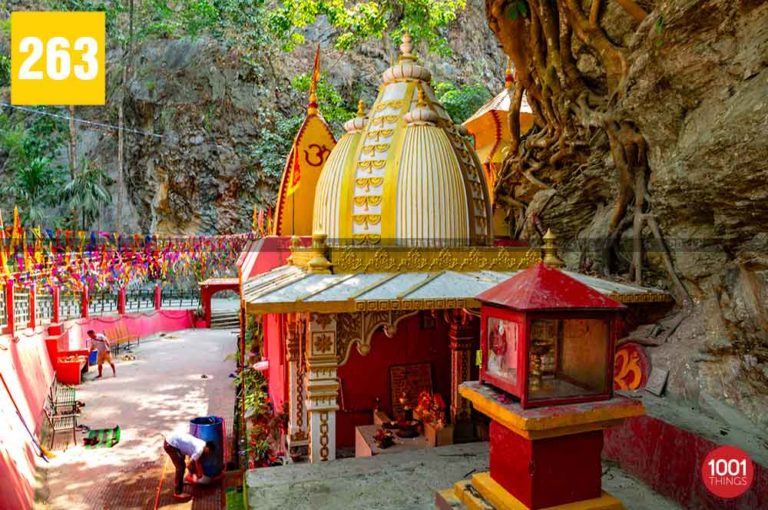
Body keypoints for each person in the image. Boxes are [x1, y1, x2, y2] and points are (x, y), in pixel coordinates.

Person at [163, 430, 214, 499]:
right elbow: (189, 464)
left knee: (182, 461)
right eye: (209, 452)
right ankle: (178, 492)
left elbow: (196, 461)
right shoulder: (200, 450)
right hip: (171, 444)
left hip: (175, 442)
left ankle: (182, 481)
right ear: (207, 448)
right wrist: (195, 475)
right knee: (180, 467)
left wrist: (195, 473)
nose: (208, 455)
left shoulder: (202, 443)